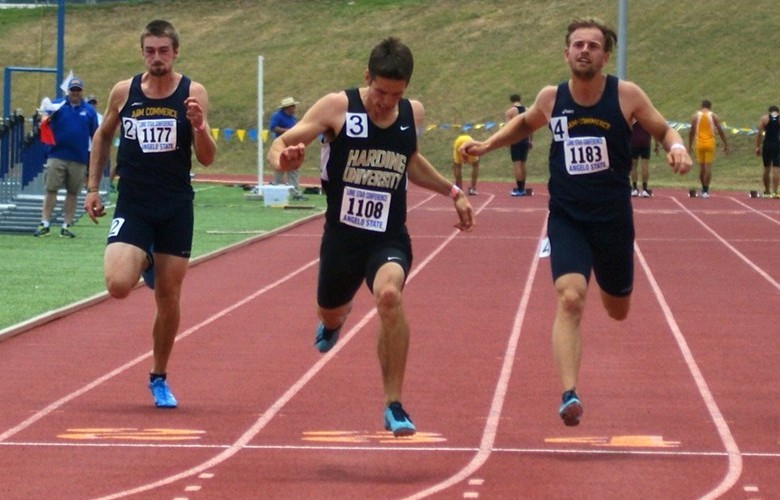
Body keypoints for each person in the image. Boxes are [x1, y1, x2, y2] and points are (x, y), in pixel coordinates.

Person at [459, 17, 691, 426]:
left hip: (613, 220)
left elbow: (662, 128)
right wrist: (487, 144)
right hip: (567, 217)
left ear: (604, 55)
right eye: (578, 44)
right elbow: (526, 121)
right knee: (569, 297)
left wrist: (677, 148)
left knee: (617, 308)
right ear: (566, 53)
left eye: (593, 45)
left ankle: (610, 284)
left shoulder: (626, 95)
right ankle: (569, 394)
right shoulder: (552, 98)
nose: (585, 50)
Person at [268, 37, 475, 436]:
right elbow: (282, 142)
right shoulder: (338, 107)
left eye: (395, 94)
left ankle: (393, 404)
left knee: (389, 296)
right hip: (342, 238)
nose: (385, 102)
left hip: (388, 237)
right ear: (367, 77)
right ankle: (333, 322)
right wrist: (283, 157)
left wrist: (454, 191)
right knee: (330, 309)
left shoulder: (411, 113)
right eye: (380, 92)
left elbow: (409, 160)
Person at [83, 19, 217, 408]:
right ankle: (142, 256)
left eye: (163, 51)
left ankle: (158, 377)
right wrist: (93, 188)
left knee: (168, 296)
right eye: (149, 51)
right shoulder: (125, 92)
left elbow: (207, 158)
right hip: (135, 202)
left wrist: (200, 126)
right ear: (142, 52)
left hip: (176, 204)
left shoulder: (193, 92)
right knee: (118, 285)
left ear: (175, 52)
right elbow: (103, 134)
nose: (156, 58)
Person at [33, 77, 99, 238]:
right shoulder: (57, 105)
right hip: (57, 154)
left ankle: (66, 225)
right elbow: (43, 121)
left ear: (81, 91)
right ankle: (45, 223)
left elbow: (96, 135)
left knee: (73, 192)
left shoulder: (89, 111)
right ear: (68, 91)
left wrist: (93, 159)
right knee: (51, 189)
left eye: (77, 90)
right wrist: (42, 116)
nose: (75, 93)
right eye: (72, 90)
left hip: (79, 157)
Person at [688, 99, 728, 198]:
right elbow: (720, 130)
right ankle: (706, 190)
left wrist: (689, 145)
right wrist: (725, 144)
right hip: (710, 143)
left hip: (699, 143)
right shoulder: (713, 116)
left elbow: (691, 132)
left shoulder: (695, 116)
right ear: (710, 107)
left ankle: (703, 188)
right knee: (708, 167)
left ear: (701, 106)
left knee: (701, 167)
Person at [269, 97, 302, 197]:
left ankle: (295, 191)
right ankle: (277, 190)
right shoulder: (277, 116)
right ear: (287, 108)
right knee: (280, 167)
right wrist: (288, 132)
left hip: (292, 145)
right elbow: (273, 128)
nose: (294, 108)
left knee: (294, 168)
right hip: (281, 144)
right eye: (293, 106)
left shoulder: (293, 118)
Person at [506, 94, 533, 196]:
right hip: (525, 138)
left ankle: (520, 189)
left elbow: (508, 129)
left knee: (517, 164)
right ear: (519, 100)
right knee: (523, 163)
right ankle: (523, 187)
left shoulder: (510, 112)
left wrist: (507, 141)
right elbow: (530, 126)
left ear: (511, 101)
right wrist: (530, 140)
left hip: (516, 140)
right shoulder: (528, 110)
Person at [755, 105, 780, 198]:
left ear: (769, 111)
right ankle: (775, 192)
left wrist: (757, 146)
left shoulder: (764, 119)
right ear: (778, 112)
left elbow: (759, 133)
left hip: (767, 144)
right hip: (777, 144)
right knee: (777, 168)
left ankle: (767, 191)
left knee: (767, 168)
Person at [629, 121, 656, 198]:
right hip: (645, 141)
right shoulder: (645, 115)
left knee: (634, 165)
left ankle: (634, 188)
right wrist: (656, 144)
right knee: (645, 164)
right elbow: (653, 129)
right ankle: (644, 189)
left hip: (634, 141)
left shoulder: (632, 115)